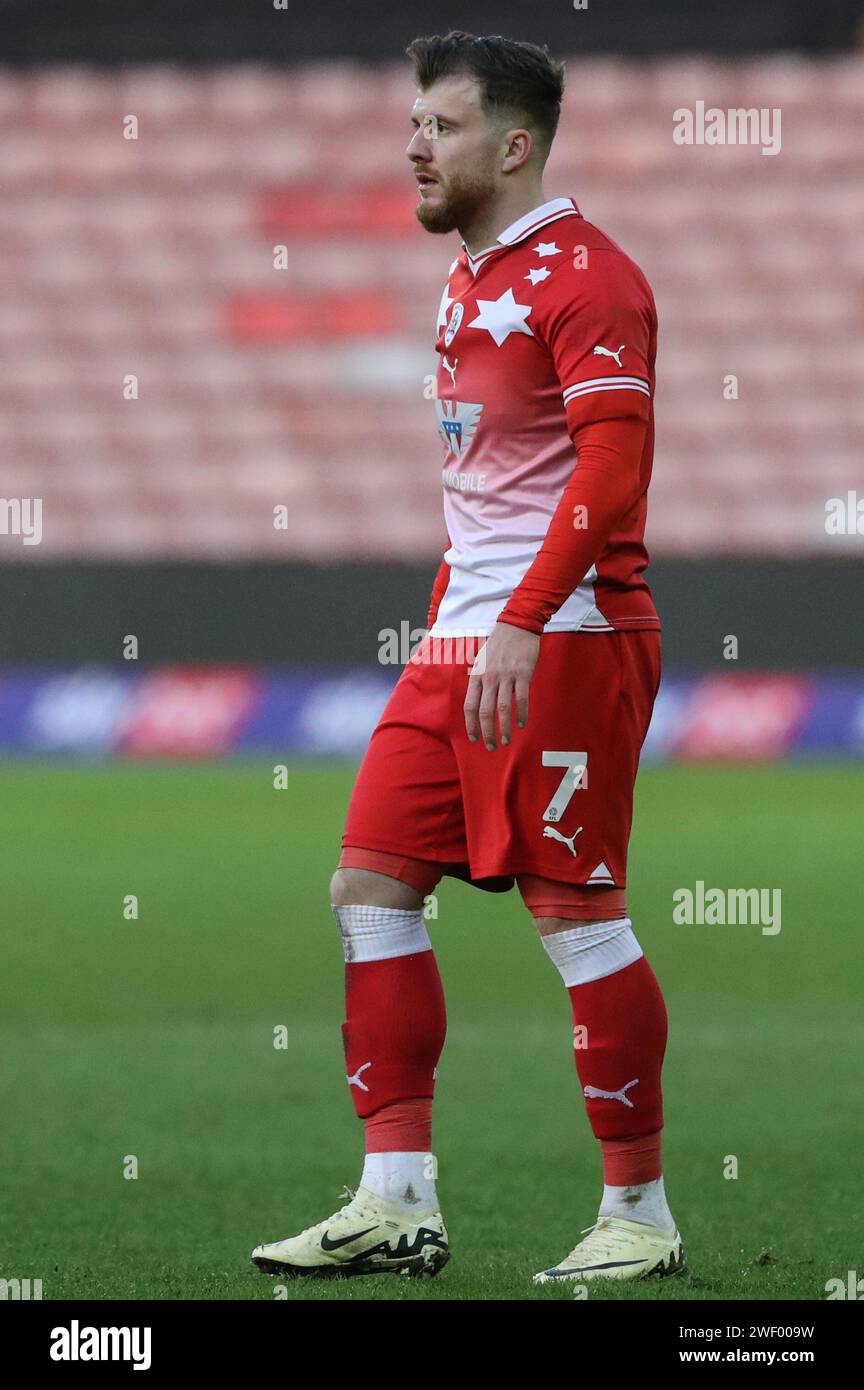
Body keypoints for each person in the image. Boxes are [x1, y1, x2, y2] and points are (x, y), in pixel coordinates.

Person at [252, 30, 683, 1286]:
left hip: (569, 636)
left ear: (515, 143)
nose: (413, 146)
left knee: (576, 917)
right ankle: (397, 1201)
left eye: (438, 127)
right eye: (412, 124)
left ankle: (641, 1211)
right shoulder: (468, 276)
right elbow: (485, 500)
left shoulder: (592, 280)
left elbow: (611, 471)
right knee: (370, 889)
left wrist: (525, 617)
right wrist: (464, 617)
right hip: (464, 637)